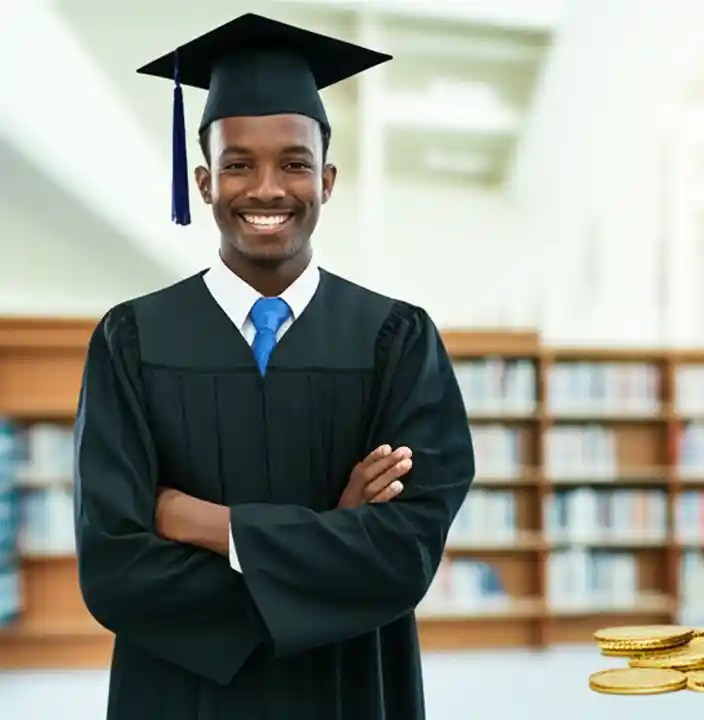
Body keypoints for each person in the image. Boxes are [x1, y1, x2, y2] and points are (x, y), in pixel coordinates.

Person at [72, 13, 475, 719]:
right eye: (238, 164)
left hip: (348, 688)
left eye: (293, 162)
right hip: (181, 693)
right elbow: (113, 568)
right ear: (203, 180)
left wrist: (208, 526)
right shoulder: (130, 340)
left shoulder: (397, 339)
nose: (266, 189)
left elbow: (404, 553)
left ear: (327, 178)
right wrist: (328, 543)